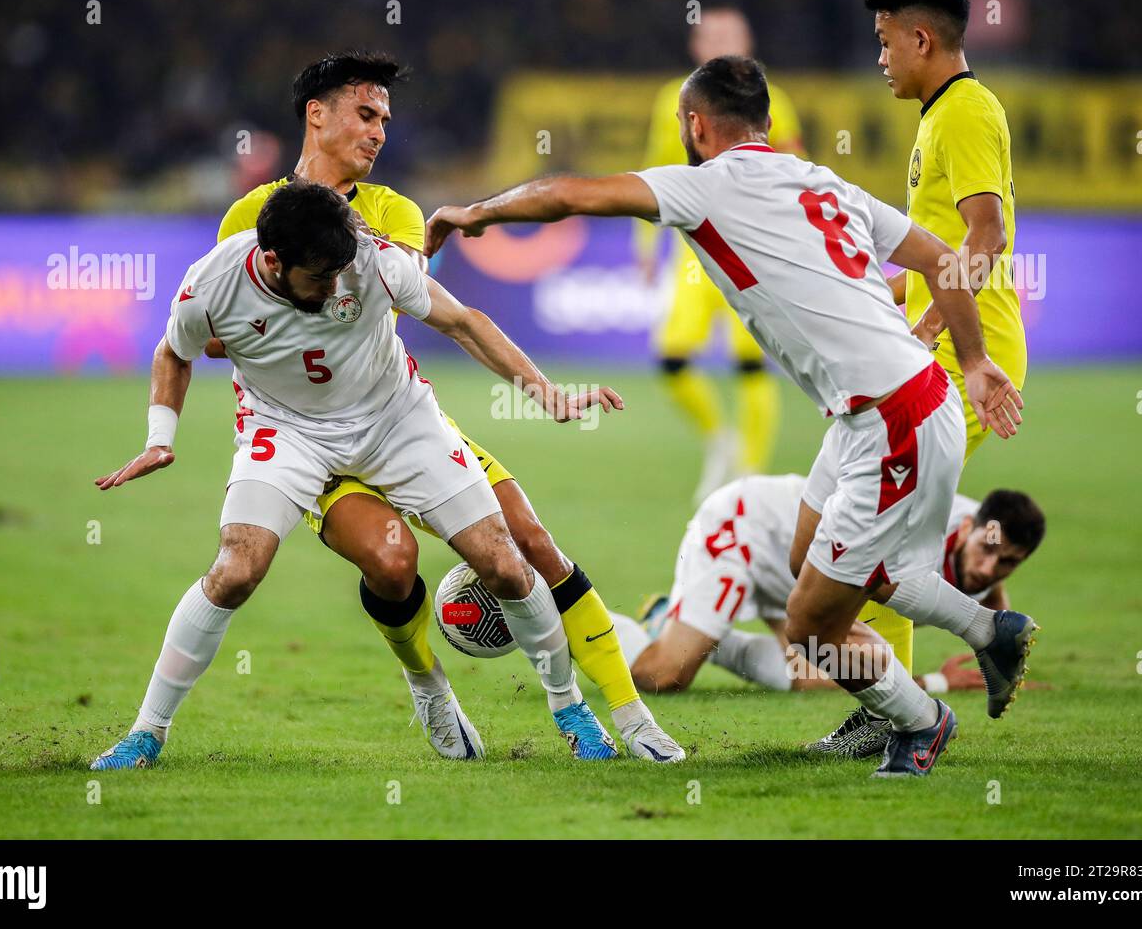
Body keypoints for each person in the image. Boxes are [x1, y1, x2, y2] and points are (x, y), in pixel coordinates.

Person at [426, 55, 1032, 777]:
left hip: (894, 418)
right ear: (768, 123)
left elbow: (567, 193)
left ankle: (921, 720)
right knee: (814, 564)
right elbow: (943, 261)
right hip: (887, 407)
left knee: (811, 625)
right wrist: (972, 360)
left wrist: (476, 212)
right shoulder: (825, 183)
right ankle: (989, 630)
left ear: (695, 125)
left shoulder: (705, 185)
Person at [212, 51, 683, 763]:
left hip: (400, 420)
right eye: (366, 115)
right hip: (309, 437)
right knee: (392, 562)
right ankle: (428, 685)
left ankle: (624, 715)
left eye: (385, 119)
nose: (379, 132)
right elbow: (217, 333)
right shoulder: (249, 218)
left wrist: (545, 392)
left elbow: (432, 306)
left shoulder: (391, 212)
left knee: (529, 544)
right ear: (317, 115)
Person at [88, 180, 656, 770]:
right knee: (237, 570)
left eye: (341, 272)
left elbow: (462, 322)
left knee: (506, 565)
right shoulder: (210, 285)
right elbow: (173, 352)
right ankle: (146, 733)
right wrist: (160, 438)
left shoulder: (374, 261)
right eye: (320, 278)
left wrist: (545, 392)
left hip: (398, 420)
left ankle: (569, 707)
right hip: (288, 432)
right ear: (273, 261)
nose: (336, 287)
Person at [825, 0, 1027, 742]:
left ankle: (901, 707)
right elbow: (935, 252)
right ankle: (961, 656)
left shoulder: (966, 111)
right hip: (938, 358)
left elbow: (986, 236)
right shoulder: (941, 114)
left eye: (885, 43)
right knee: (880, 530)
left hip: (972, 357)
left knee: (874, 532)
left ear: (922, 38)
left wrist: (934, 331)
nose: (880, 58)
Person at [610, 474, 1046, 756]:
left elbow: (993, 600)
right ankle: (590, 620)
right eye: (987, 551)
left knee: (811, 671)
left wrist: (1005, 663)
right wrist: (936, 682)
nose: (988, 568)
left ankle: (690, 630)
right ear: (966, 527)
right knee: (665, 676)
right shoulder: (914, 541)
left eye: (1007, 562)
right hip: (748, 529)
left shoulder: (983, 545)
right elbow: (863, 660)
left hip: (806, 567)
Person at [635, 7, 802, 502]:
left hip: (751, 251)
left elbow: (795, 171)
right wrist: (646, 243)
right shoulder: (672, 99)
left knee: (751, 364)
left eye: (731, 35)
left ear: (748, 42)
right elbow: (654, 171)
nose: (722, 43)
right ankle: (719, 438)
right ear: (696, 45)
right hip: (694, 251)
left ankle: (749, 475)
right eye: (712, 35)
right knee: (671, 357)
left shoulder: (773, 101)